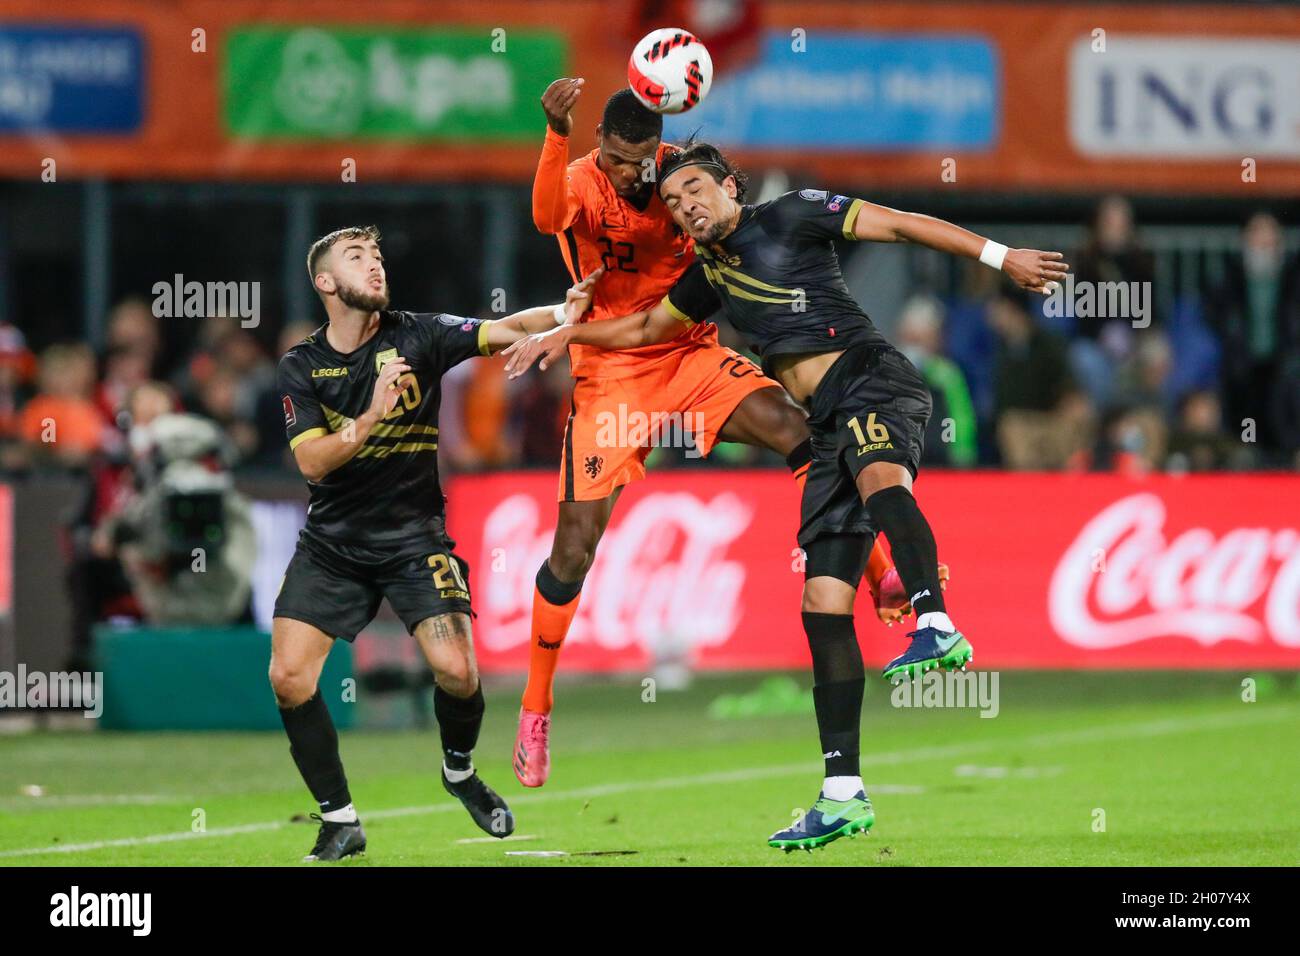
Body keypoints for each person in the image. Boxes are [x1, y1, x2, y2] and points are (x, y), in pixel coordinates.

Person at [504, 141, 1068, 850]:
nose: (685, 208)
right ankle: (843, 794)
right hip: (826, 423)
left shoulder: (794, 214)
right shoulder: (708, 275)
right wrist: (568, 332)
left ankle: (937, 620)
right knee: (823, 603)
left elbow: (898, 224)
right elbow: (648, 327)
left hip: (869, 378)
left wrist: (999, 257)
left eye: (695, 192)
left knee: (880, 478)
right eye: (674, 204)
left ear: (731, 186)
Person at [514, 79, 941, 788]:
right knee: (574, 548)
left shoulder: (680, 178)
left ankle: (881, 575)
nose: (634, 174)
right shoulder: (583, 179)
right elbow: (544, 214)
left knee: (803, 431)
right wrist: (555, 134)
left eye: (642, 159)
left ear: (660, 146)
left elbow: (731, 216)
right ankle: (535, 705)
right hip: (615, 367)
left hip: (687, 349)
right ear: (600, 146)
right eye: (621, 160)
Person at [271, 225, 598, 861]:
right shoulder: (301, 366)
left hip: (414, 539)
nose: (374, 265)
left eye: (377, 255)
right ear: (325, 282)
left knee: (456, 672)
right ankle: (340, 820)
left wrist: (563, 311)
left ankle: (458, 773)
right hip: (332, 545)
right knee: (288, 678)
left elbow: (502, 328)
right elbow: (312, 464)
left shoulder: (417, 333)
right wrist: (370, 414)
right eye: (356, 258)